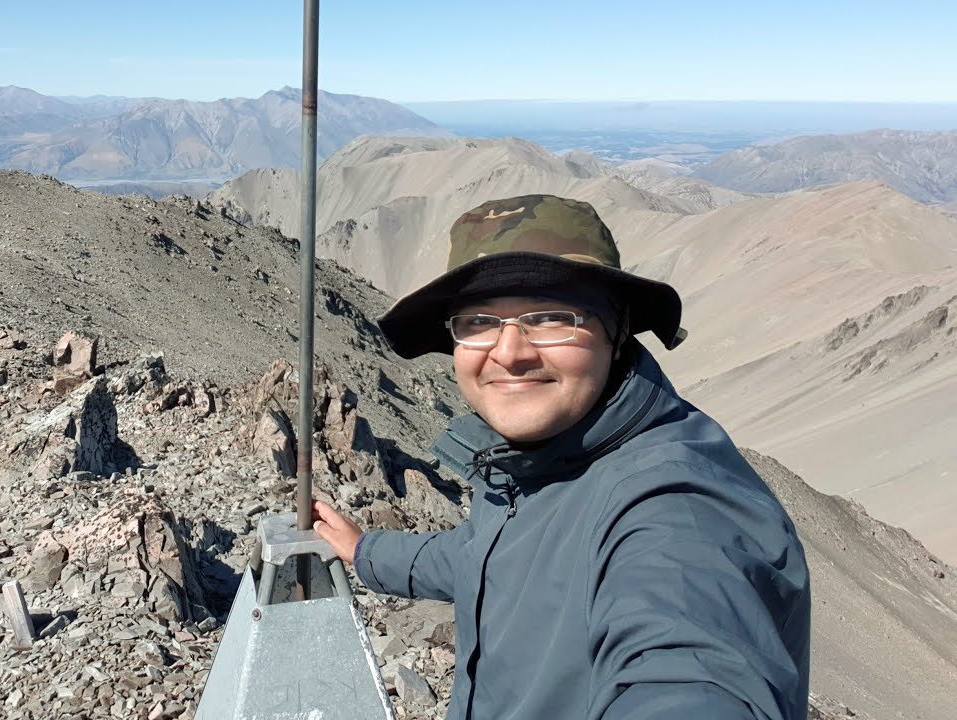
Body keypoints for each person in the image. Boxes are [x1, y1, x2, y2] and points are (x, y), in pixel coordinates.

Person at [312, 194, 811, 720]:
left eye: (551, 317)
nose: (509, 352)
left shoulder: (676, 511)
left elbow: (690, 665)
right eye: (479, 322)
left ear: (616, 331)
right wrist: (365, 550)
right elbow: (486, 557)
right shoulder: (539, 467)